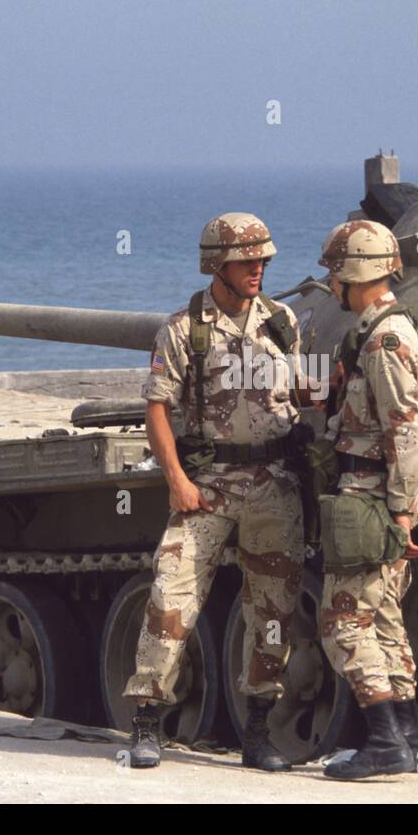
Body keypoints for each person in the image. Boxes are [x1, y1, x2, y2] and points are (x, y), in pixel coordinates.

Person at [123, 212, 309, 771]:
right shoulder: (183, 330)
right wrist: (176, 480)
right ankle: (147, 724)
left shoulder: (282, 321)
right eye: (247, 261)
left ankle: (257, 732)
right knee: (170, 598)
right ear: (216, 265)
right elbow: (156, 407)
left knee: (272, 613)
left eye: (263, 261)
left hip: (275, 485)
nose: (258, 269)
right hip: (209, 486)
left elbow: (296, 394)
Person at [316, 219, 418, 780]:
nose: (331, 285)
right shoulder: (384, 331)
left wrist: (402, 510)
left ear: (351, 274)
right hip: (381, 494)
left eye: (335, 273)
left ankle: (385, 741)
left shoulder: (385, 339)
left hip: (371, 496)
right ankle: (407, 739)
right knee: (384, 618)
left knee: (343, 621)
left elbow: (407, 430)